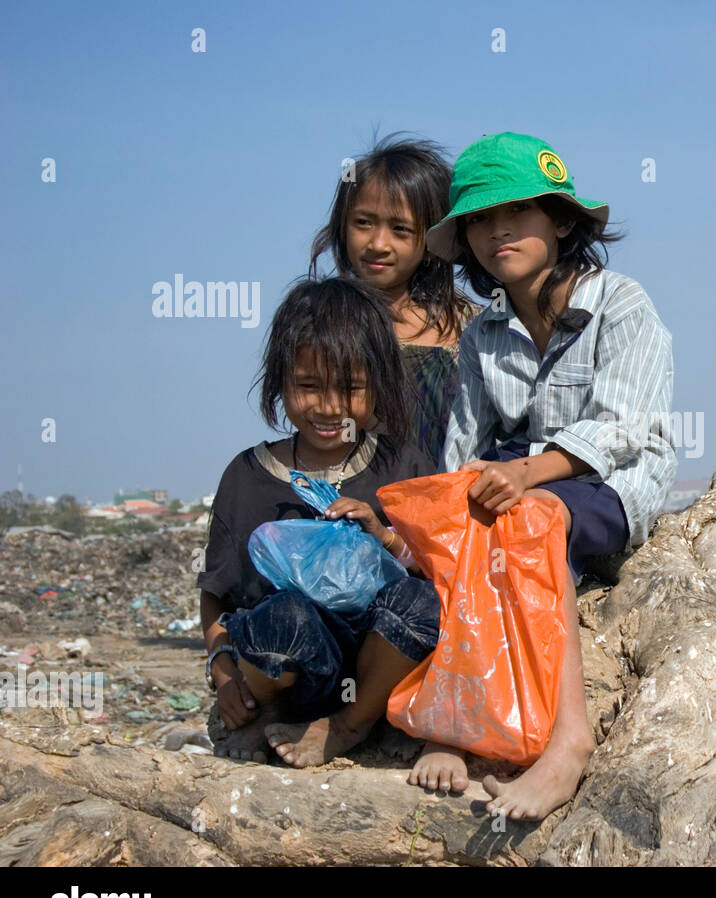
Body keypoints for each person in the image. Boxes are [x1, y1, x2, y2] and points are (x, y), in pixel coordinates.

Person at [412, 132, 676, 820]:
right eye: (477, 219)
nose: (497, 231)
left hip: (606, 482)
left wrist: (531, 475)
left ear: (561, 222)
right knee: (455, 529)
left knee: (533, 523)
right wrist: (456, 498)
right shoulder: (482, 333)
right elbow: (463, 447)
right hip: (516, 475)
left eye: (518, 213)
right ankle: (457, 729)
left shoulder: (621, 303)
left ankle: (568, 742)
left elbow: (623, 426)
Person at [197, 277, 440, 767]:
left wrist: (384, 536)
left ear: (378, 384)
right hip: (290, 671)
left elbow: (440, 573)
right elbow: (216, 594)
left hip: (376, 673)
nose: (328, 408)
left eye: (350, 389)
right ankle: (269, 712)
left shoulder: (404, 466)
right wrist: (224, 676)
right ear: (280, 381)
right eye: (308, 386)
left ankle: (350, 726)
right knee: (284, 615)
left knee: (420, 603)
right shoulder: (246, 476)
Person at [309, 134, 476, 462]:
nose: (378, 243)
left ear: (433, 240)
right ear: (342, 227)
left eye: (400, 229)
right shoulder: (323, 322)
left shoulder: (477, 326)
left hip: (458, 502)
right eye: (363, 223)